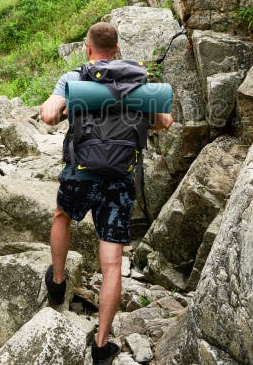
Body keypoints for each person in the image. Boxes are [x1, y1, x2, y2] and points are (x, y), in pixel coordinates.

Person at [40, 22, 173, 365]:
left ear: (88, 48)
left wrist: (69, 108)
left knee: (62, 216)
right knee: (112, 262)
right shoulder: (137, 82)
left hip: (80, 172)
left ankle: (57, 281)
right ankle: (101, 345)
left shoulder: (74, 78)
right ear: (117, 50)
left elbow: (49, 115)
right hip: (120, 179)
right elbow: (164, 122)